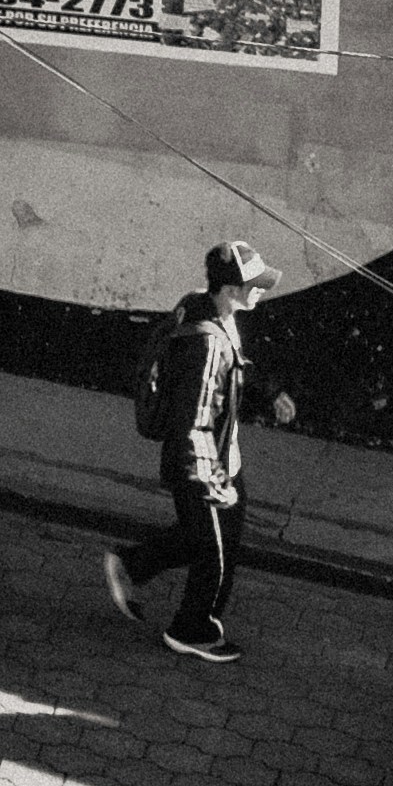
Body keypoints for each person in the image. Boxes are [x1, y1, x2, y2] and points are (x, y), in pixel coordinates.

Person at [102, 241, 277, 658]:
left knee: (209, 539)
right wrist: (211, 483)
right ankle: (191, 630)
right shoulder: (207, 344)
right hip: (202, 465)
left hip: (221, 457)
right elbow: (193, 421)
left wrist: (270, 393)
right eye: (254, 284)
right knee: (215, 554)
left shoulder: (204, 307)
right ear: (229, 289)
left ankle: (131, 565)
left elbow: (230, 375)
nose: (262, 289)